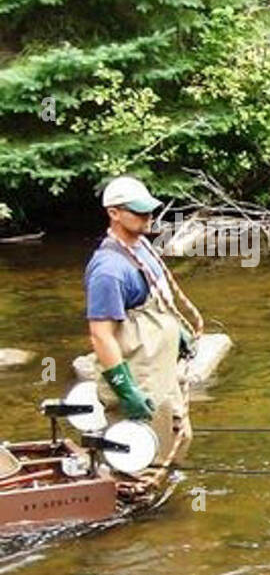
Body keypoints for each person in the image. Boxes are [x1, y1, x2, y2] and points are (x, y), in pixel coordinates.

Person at [85, 176, 203, 467]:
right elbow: (101, 336)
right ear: (114, 213)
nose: (148, 217)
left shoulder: (141, 247)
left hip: (161, 371)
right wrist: (127, 392)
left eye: (149, 210)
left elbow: (159, 302)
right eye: (138, 212)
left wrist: (178, 335)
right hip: (140, 375)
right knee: (140, 455)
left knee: (177, 435)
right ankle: (127, 499)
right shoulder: (108, 271)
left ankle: (162, 496)